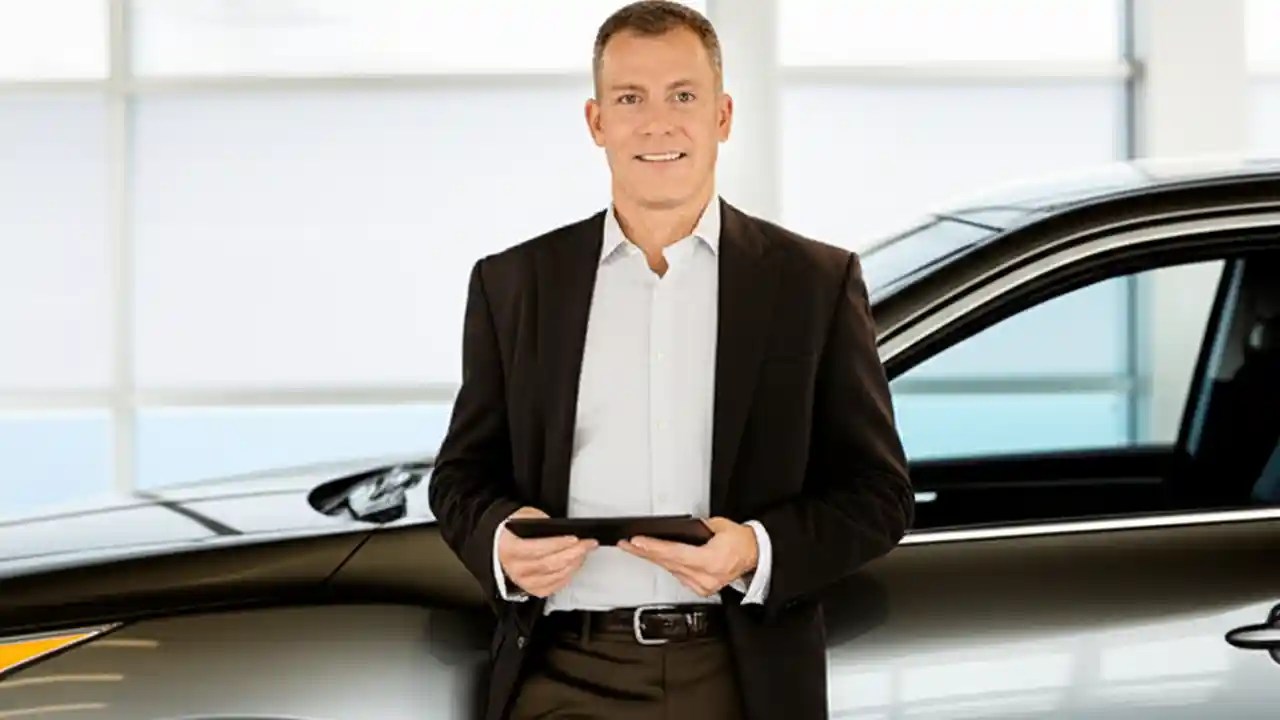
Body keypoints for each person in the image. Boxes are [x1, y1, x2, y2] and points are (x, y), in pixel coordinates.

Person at [427, 2, 913, 718]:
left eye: (683, 96)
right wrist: (500, 543)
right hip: (562, 672)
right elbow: (462, 477)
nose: (658, 123)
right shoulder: (514, 285)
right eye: (631, 99)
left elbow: (878, 497)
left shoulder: (814, 284)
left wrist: (753, 549)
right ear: (597, 123)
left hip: (739, 675)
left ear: (722, 115)